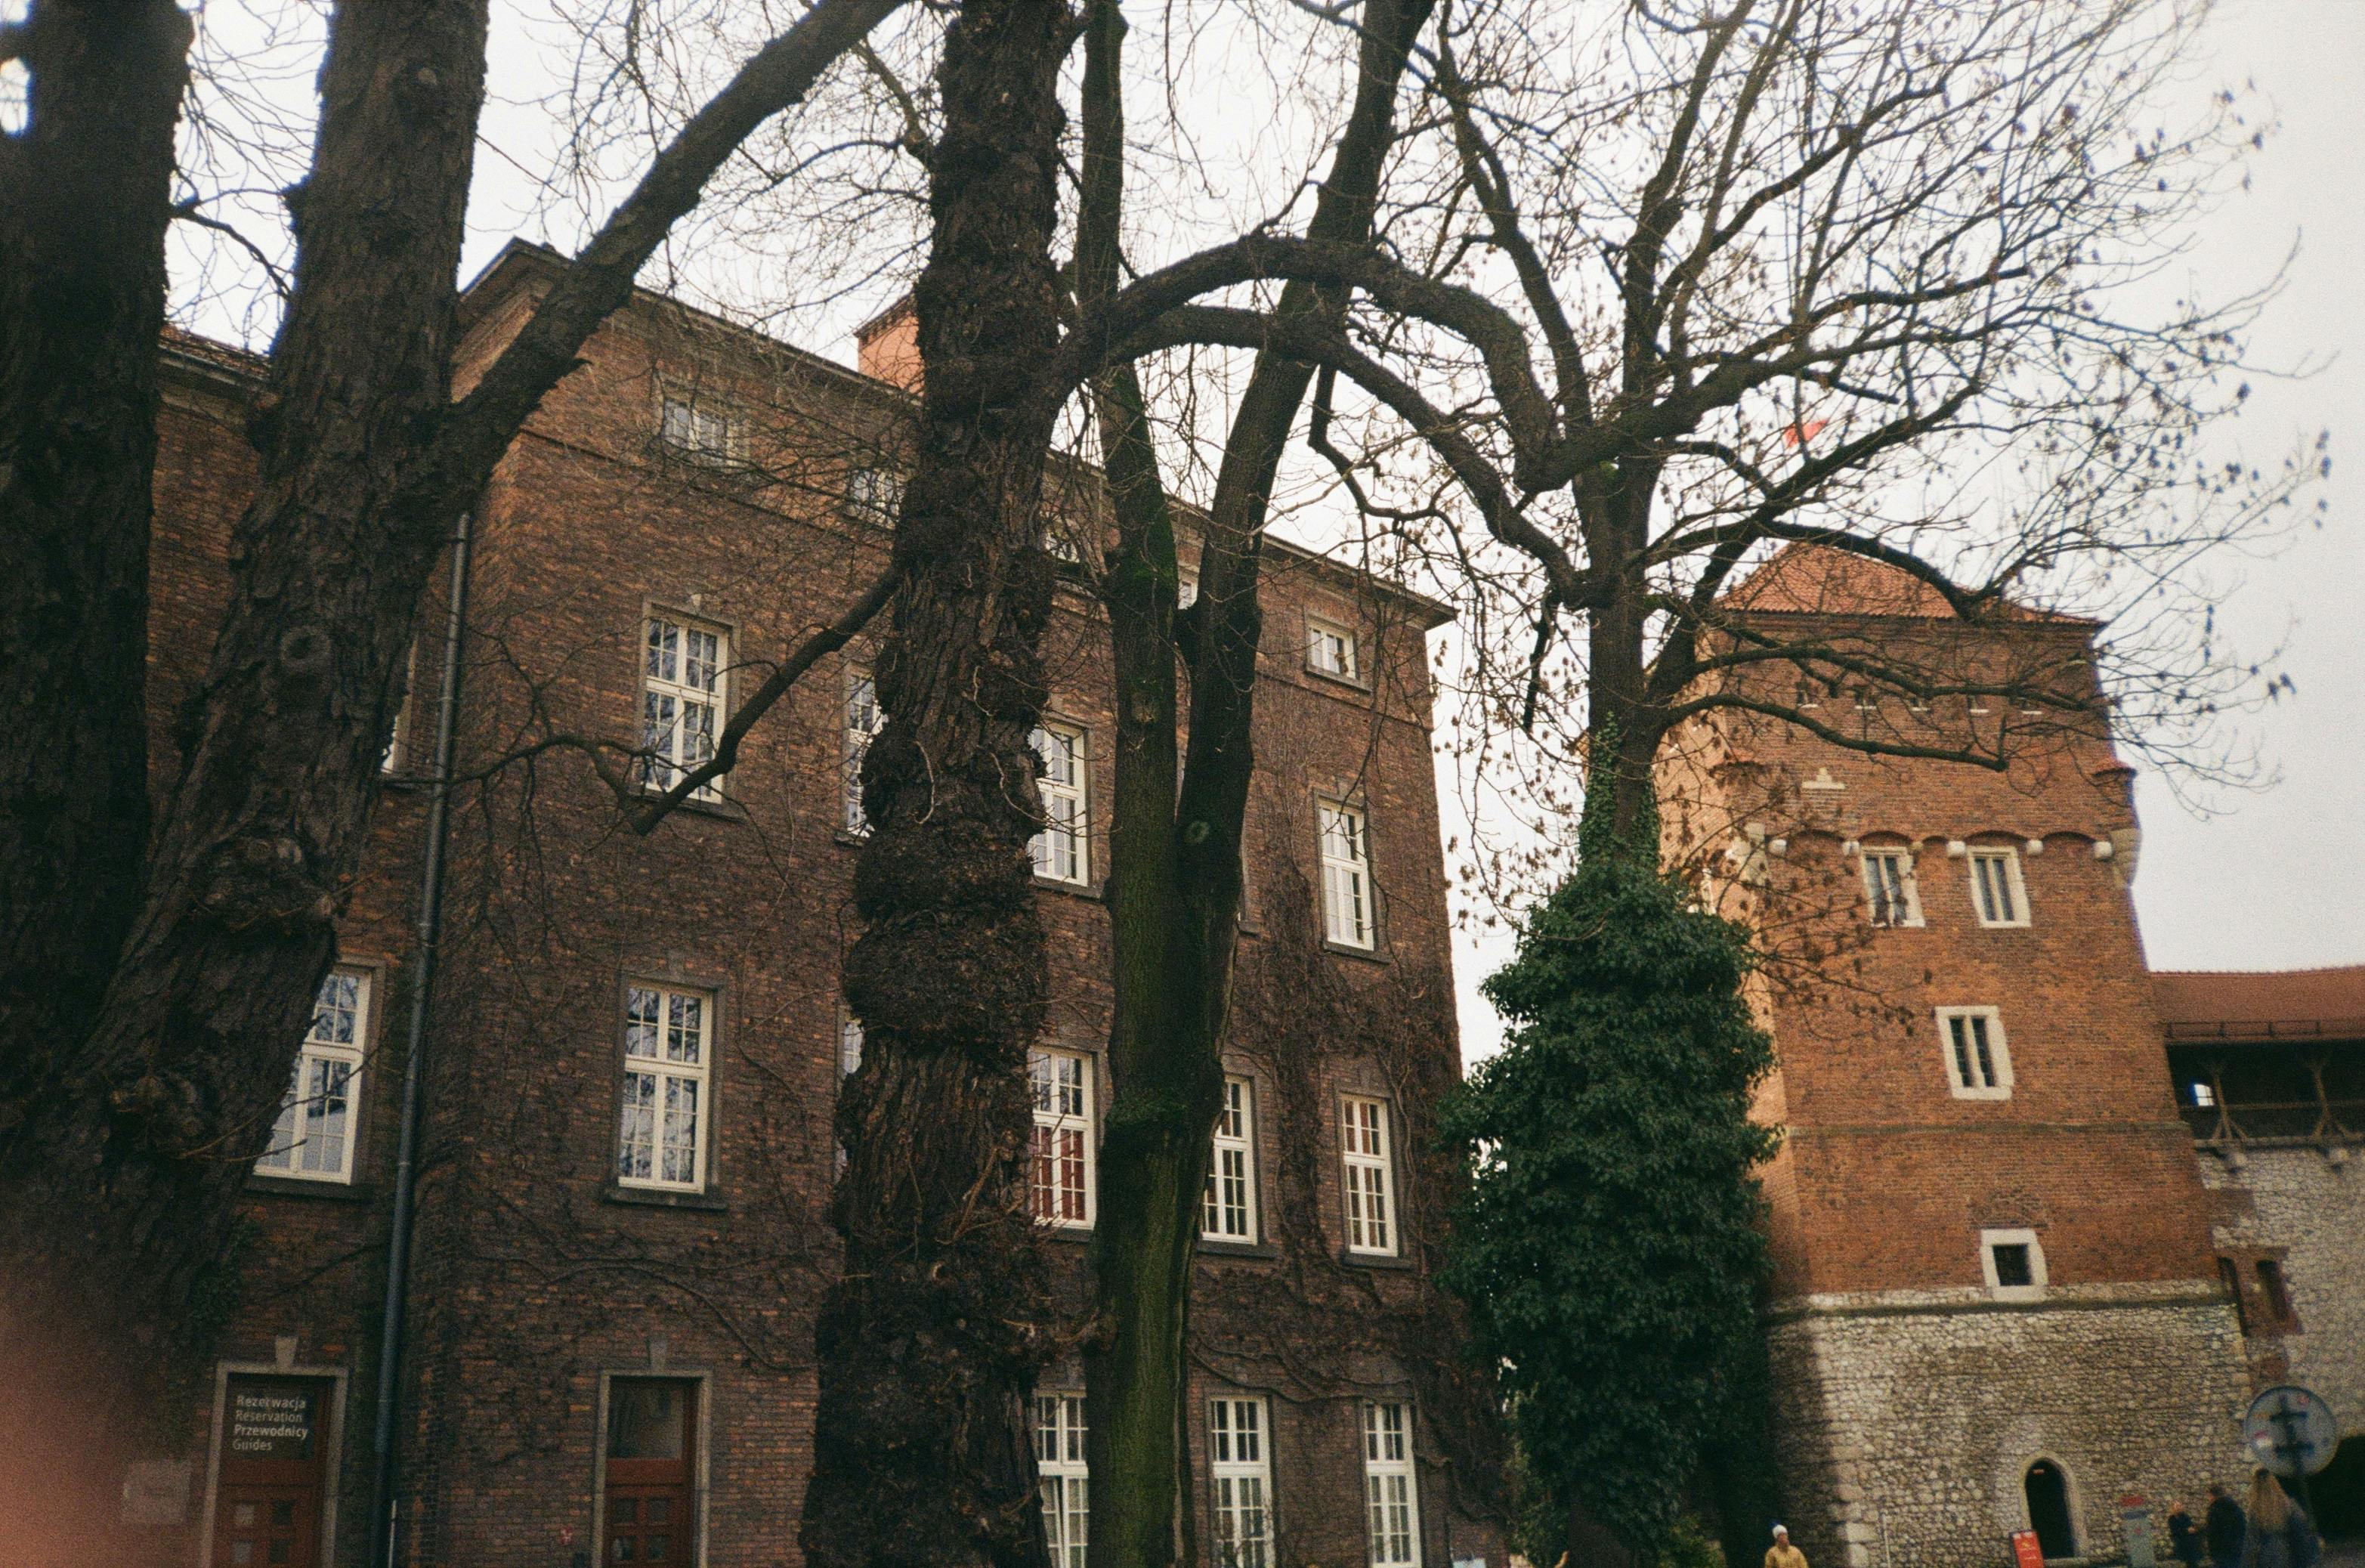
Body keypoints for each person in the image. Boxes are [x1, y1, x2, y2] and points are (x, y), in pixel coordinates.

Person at [2237, 1470, 2321, 1568]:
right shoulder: (2289, 1505)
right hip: (2289, 1555)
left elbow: (2251, 1542)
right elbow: (2302, 1530)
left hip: (2266, 1558)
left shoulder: (2256, 1510)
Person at [2209, 1482, 2250, 1566]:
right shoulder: (2237, 1509)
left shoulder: (2214, 1511)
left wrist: (2213, 1553)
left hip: (2221, 1553)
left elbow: (2212, 1534)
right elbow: (2243, 1529)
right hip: (2236, 1551)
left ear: (2212, 1496)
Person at [2168, 1498, 2206, 1568]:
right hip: (2181, 1541)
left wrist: (2190, 1530)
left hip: (2190, 1541)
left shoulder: (2185, 1516)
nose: (2179, 1508)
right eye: (2177, 1506)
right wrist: (2186, 1531)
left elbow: (2190, 1526)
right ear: (2173, 1509)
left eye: (2180, 1506)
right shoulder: (2172, 1519)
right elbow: (2175, 1530)